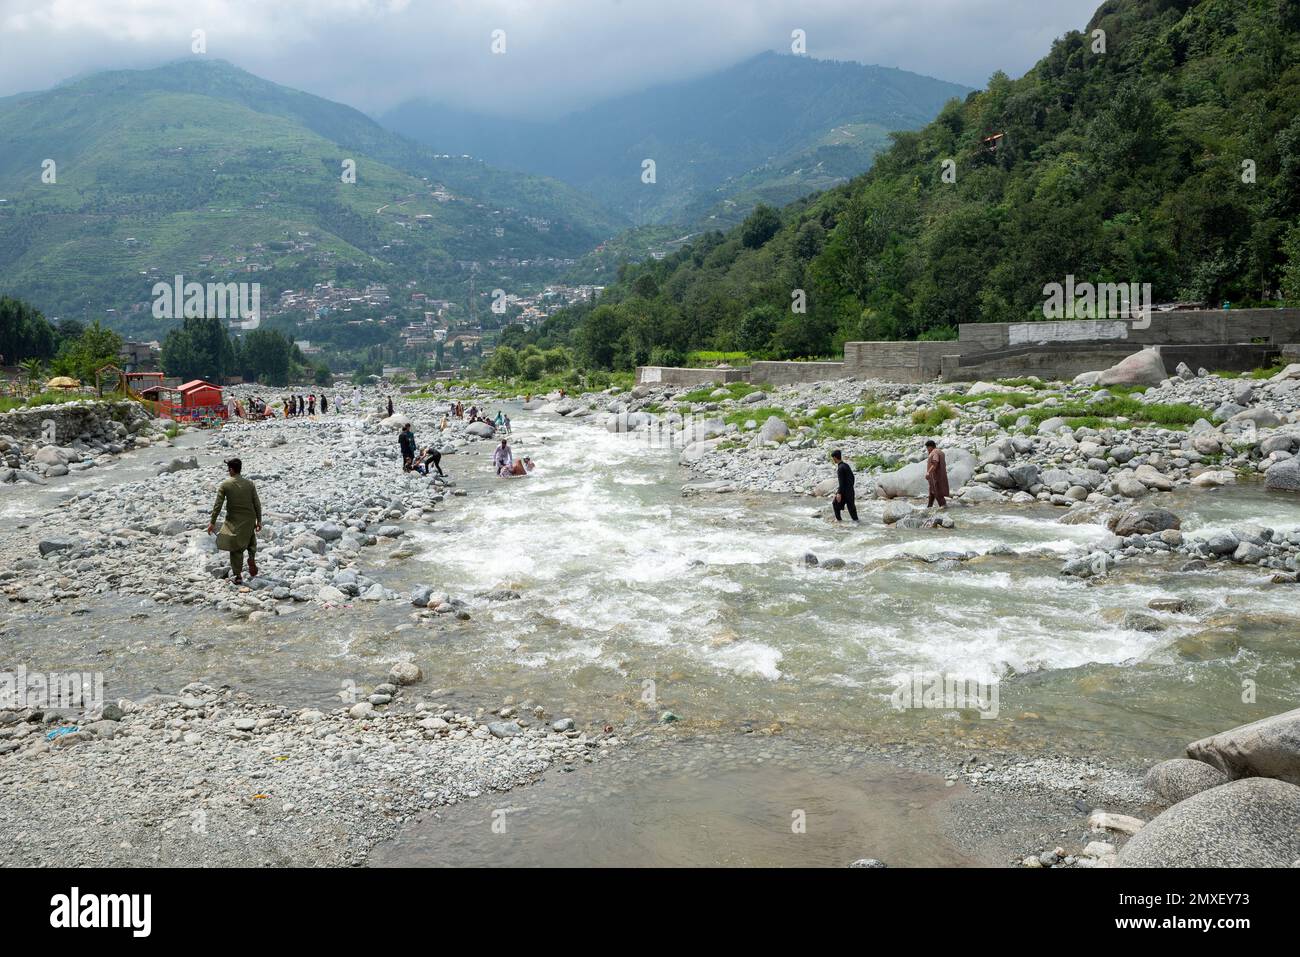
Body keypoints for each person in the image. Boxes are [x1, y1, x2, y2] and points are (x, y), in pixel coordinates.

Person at [207, 458, 262, 583]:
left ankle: (238, 576)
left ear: (231, 470)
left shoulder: (225, 484)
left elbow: (218, 505)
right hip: (249, 518)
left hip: (233, 520)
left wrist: (212, 522)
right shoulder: (249, 484)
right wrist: (259, 520)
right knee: (250, 538)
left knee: (236, 547)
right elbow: (257, 503)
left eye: (228, 469)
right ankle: (251, 557)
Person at [830, 450, 858, 522]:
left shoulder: (840, 468)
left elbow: (841, 482)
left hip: (844, 492)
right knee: (851, 508)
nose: (833, 460)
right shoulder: (846, 465)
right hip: (850, 491)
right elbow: (852, 478)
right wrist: (850, 487)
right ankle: (857, 522)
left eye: (833, 458)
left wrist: (839, 493)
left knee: (835, 504)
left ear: (835, 458)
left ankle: (839, 521)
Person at [926, 440, 949, 508]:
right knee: (932, 493)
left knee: (938, 494)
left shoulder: (934, 452)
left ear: (930, 447)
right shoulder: (940, 451)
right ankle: (929, 507)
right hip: (939, 476)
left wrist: (928, 472)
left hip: (936, 477)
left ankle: (945, 509)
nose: (927, 450)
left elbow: (935, 463)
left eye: (927, 448)